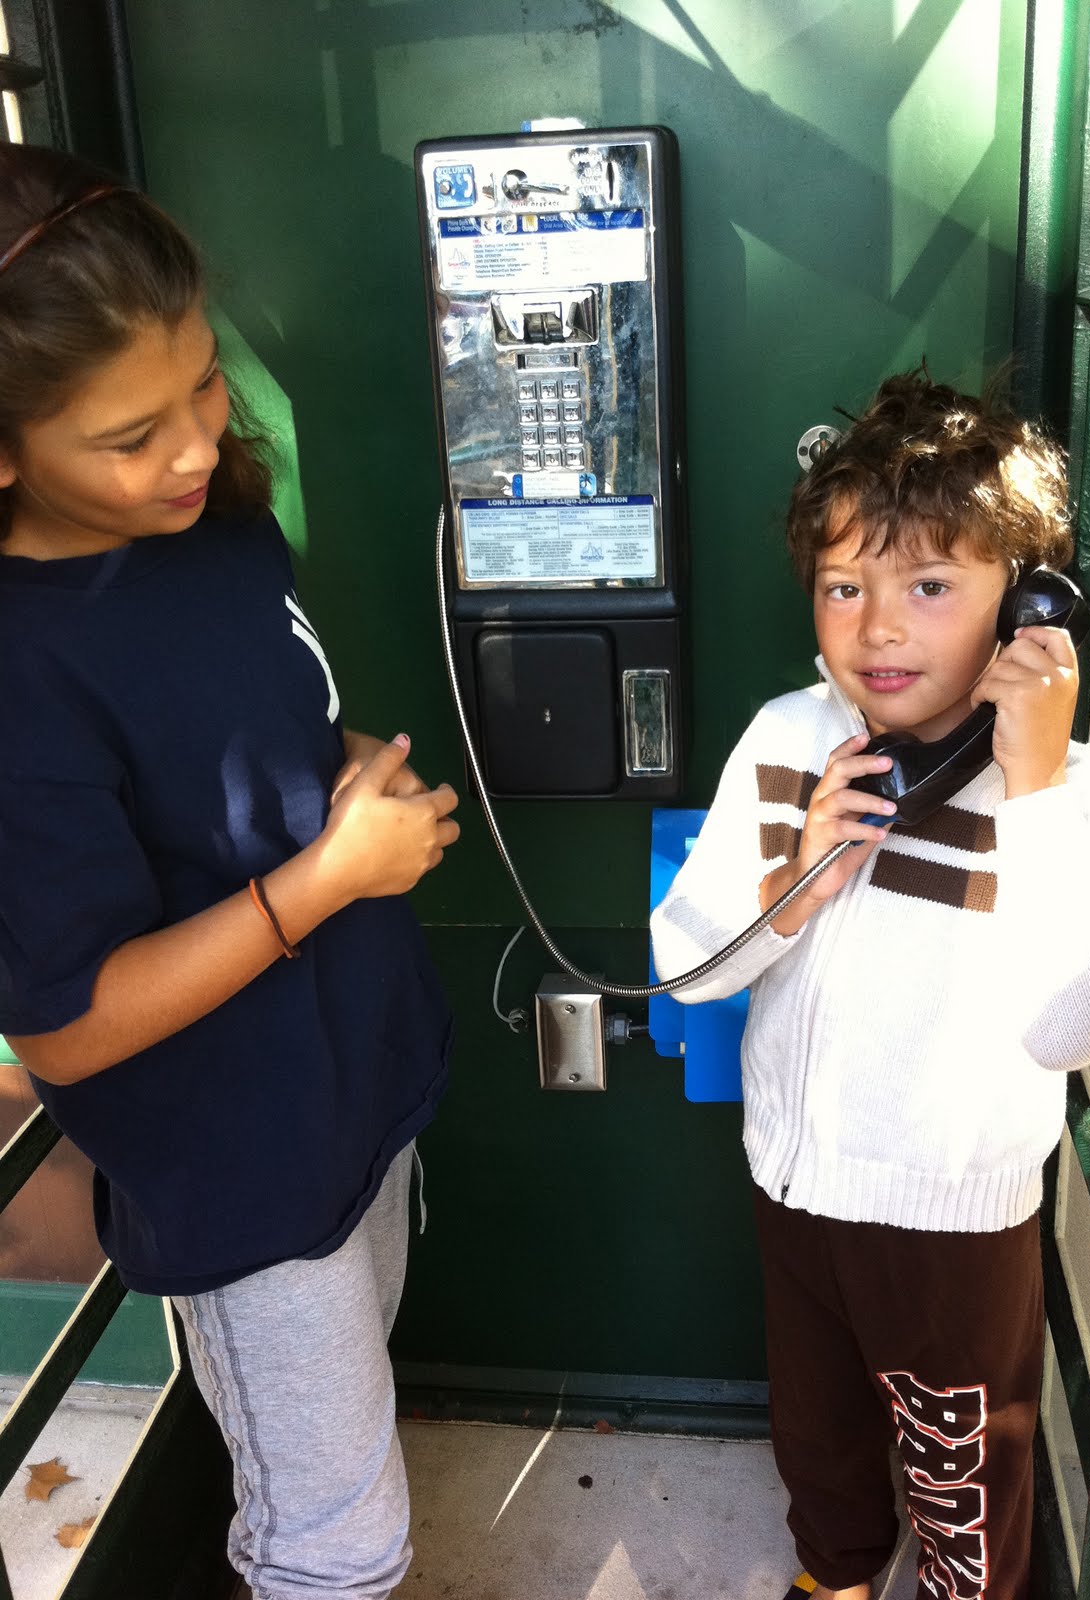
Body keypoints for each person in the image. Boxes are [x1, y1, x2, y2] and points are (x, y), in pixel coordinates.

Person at [0, 143, 460, 1600]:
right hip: (239, 1165)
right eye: (129, 434)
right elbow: (64, 1020)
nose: (194, 446)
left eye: (201, 383)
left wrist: (332, 777)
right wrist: (324, 880)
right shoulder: (18, 669)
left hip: (349, 1084)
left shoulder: (208, 523)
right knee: (335, 1549)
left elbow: (230, 749)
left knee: (350, 1430)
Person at [650, 371, 1090, 1600]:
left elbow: (1080, 1022)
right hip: (793, 1183)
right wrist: (797, 883)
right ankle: (834, 1574)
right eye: (843, 585)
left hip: (952, 1222)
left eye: (929, 586)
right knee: (818, 1439)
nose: (875, 628)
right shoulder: (783, 739)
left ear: (1026, 607)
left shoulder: (1071, 797)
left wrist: (1028, 790)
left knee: (965, 1472)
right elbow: (682, 966)